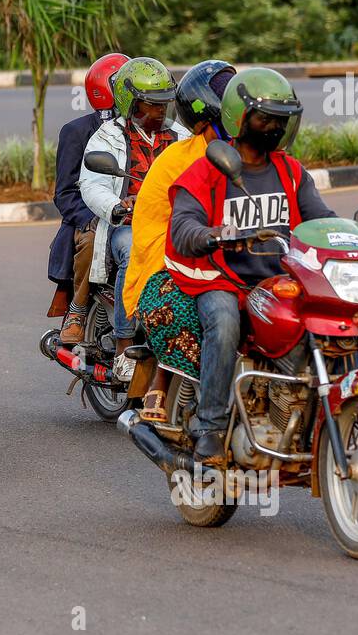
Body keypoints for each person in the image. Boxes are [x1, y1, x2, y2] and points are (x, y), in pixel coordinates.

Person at [164, 67, 358, 463]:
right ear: (240, 118)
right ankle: (209, 426)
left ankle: (300, 407)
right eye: (266, 117)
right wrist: (214, 234)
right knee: (224, 321)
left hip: (276, 280)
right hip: (221, 278)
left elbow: (320, 219)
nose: (274, 126)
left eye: (281, 118)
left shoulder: (290, 171)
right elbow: (183, 227)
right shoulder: (209, 168)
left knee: (326, 317)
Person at [122, 59, 235, 422]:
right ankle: (161, 381)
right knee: (180, 301)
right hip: (166, 252)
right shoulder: (184, 159)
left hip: (228, 250)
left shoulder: (249, 153)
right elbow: (183, 227)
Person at [78, 56, 177, 381]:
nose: (160, 112)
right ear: (131, 103)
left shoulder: (180, 135)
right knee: (133, 251)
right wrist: (118, 206)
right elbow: (91, 183)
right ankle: (124, 342)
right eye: (152, 105)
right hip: (128, 225)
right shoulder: (107, 137)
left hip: (175, 223)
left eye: (164, 104)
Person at [47, 52, 127, 345]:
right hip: (88, 219)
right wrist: (93, 217)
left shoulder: (144, 129)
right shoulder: (76, 132)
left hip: (134, 215)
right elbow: (65, 193)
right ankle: (78, 310)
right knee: (95, 237)